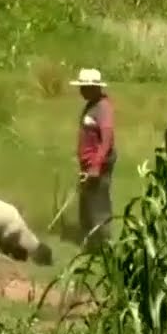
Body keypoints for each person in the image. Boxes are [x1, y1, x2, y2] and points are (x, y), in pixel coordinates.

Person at [70, 68, 116, 251]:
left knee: (98, 203)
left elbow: (106, 140)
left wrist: (96, 166)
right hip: (88, 164)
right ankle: (90, 243)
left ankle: (103, 245)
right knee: (87, 203)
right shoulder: (91, 105)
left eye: (84, 87)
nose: (81, 91)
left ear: (93, 87)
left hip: (99, 165)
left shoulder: (103, 107)